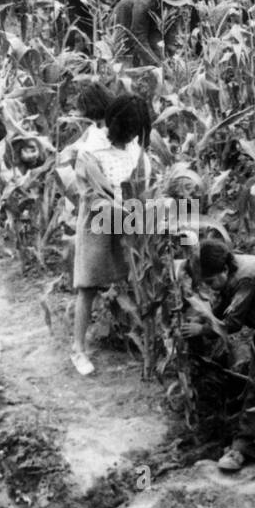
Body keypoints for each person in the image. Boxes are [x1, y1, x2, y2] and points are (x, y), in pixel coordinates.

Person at [181, 238, 255, 472]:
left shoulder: (244, 278)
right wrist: (204, 315)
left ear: (225, 269)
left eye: (210, 281)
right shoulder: (234, 267)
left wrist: (203, 328)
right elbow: (226, 303)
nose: (209, 287)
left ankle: (245, 449)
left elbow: (232, 323)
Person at [70, 94, 151, 376]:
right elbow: (93, 197)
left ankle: (135, 337)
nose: (130, 137)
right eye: (127, 131)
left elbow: (144, 181)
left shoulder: (134, 147)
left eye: (134, 132)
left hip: (130, 220)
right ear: (115, 124)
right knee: (88, 286)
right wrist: (126, 212)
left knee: (135, 278)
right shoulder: (91, 152)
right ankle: (78, 349)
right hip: (99, 224)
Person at [113, 0, 194, 67]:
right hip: (124, 20)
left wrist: (170, 49)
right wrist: (156, 65)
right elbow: (138, 38)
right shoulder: (143, 2)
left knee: (159, 53)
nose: (172, 5)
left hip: (150, 17)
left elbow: (171, 23)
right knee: (125, 57)